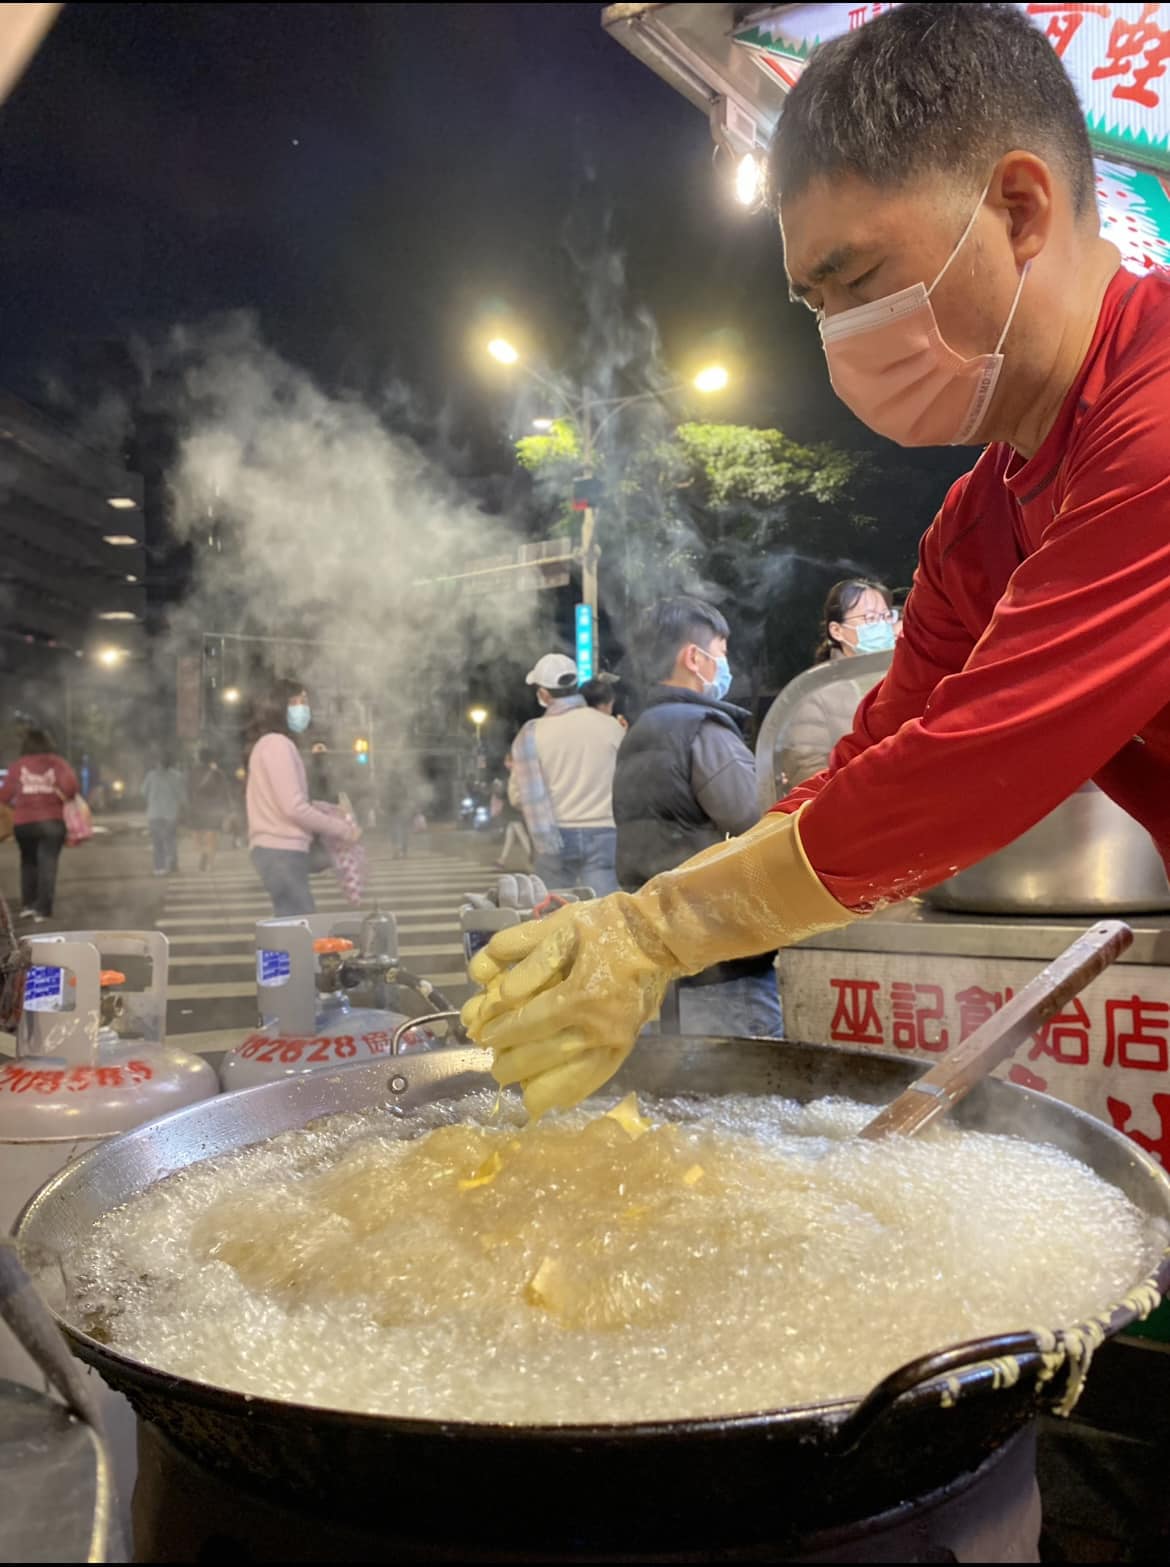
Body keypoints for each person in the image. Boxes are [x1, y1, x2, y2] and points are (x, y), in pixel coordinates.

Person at [461, 2, 1170, 1120]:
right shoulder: (977, 527)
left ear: (1021, 208)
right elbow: (876, 763)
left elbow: (956, 781)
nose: (840, 332)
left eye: (860, 277)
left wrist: (651, 934)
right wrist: (616, 927)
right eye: (816, 301)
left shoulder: (1159, 418)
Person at [614, 597, 780, 1038]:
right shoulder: (703, 728)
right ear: (694, 657)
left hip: (661, 944)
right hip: (720, 955)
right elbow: (755, 818)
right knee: (744, 1087)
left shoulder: (640, 729)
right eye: (721, 654)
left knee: (683, 1089)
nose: (724, 666)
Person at [510, 653, 624, 895]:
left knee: (555, 916)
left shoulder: (531, 734)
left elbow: (523, 796)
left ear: (544, 694)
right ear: (575, 686)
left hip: (555, 836)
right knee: (604, 913)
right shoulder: (612, 726)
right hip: (606, 832)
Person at [245, 675, 359, 917]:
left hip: (277, 852)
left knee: (291, 924)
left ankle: (282, 956)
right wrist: (342, 829)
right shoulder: (277, 745)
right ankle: (284, 957)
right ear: (278, 706)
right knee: (299, 926)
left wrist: (324, 808)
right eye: (297, 702)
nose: (304, 709)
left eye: (305, 702)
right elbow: (293, 807)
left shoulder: (272, 744)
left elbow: (288, 801)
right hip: (280, 852)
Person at [778, 579, 898, 789]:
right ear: (837, 631)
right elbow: (805, 769)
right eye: (870, 618)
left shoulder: (900, 675)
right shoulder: (816, 693)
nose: (881, 625)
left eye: (886, 616)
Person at [0, 727, 78, 923]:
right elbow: (71, 789)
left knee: (28, 864)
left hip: (24, 823)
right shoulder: (57, 764)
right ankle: (42, 909)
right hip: (51, 822)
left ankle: (28, 905)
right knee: (47, 864)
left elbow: (5, 795)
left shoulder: (19, 766)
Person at [141, 750, 186, 877]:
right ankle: (173, 865)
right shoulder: (177, 776)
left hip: (154, 814)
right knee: (171, 840)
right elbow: (182, 797)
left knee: (157, 842)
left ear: (157, 762)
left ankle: (158, 867)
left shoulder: (150, 776)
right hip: (171, 814)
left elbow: (143, 792)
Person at [189, 748, 233, 872]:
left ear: (199, 758)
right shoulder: (218, 774)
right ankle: (210, 864)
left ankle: (203, 852)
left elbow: (188, 792)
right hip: (214, 810)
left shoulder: (193, 773)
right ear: (211, 759)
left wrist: (189, 808)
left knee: (198, 838)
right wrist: (228, 810)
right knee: (212, 838)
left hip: (198, 810)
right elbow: (225, 792)